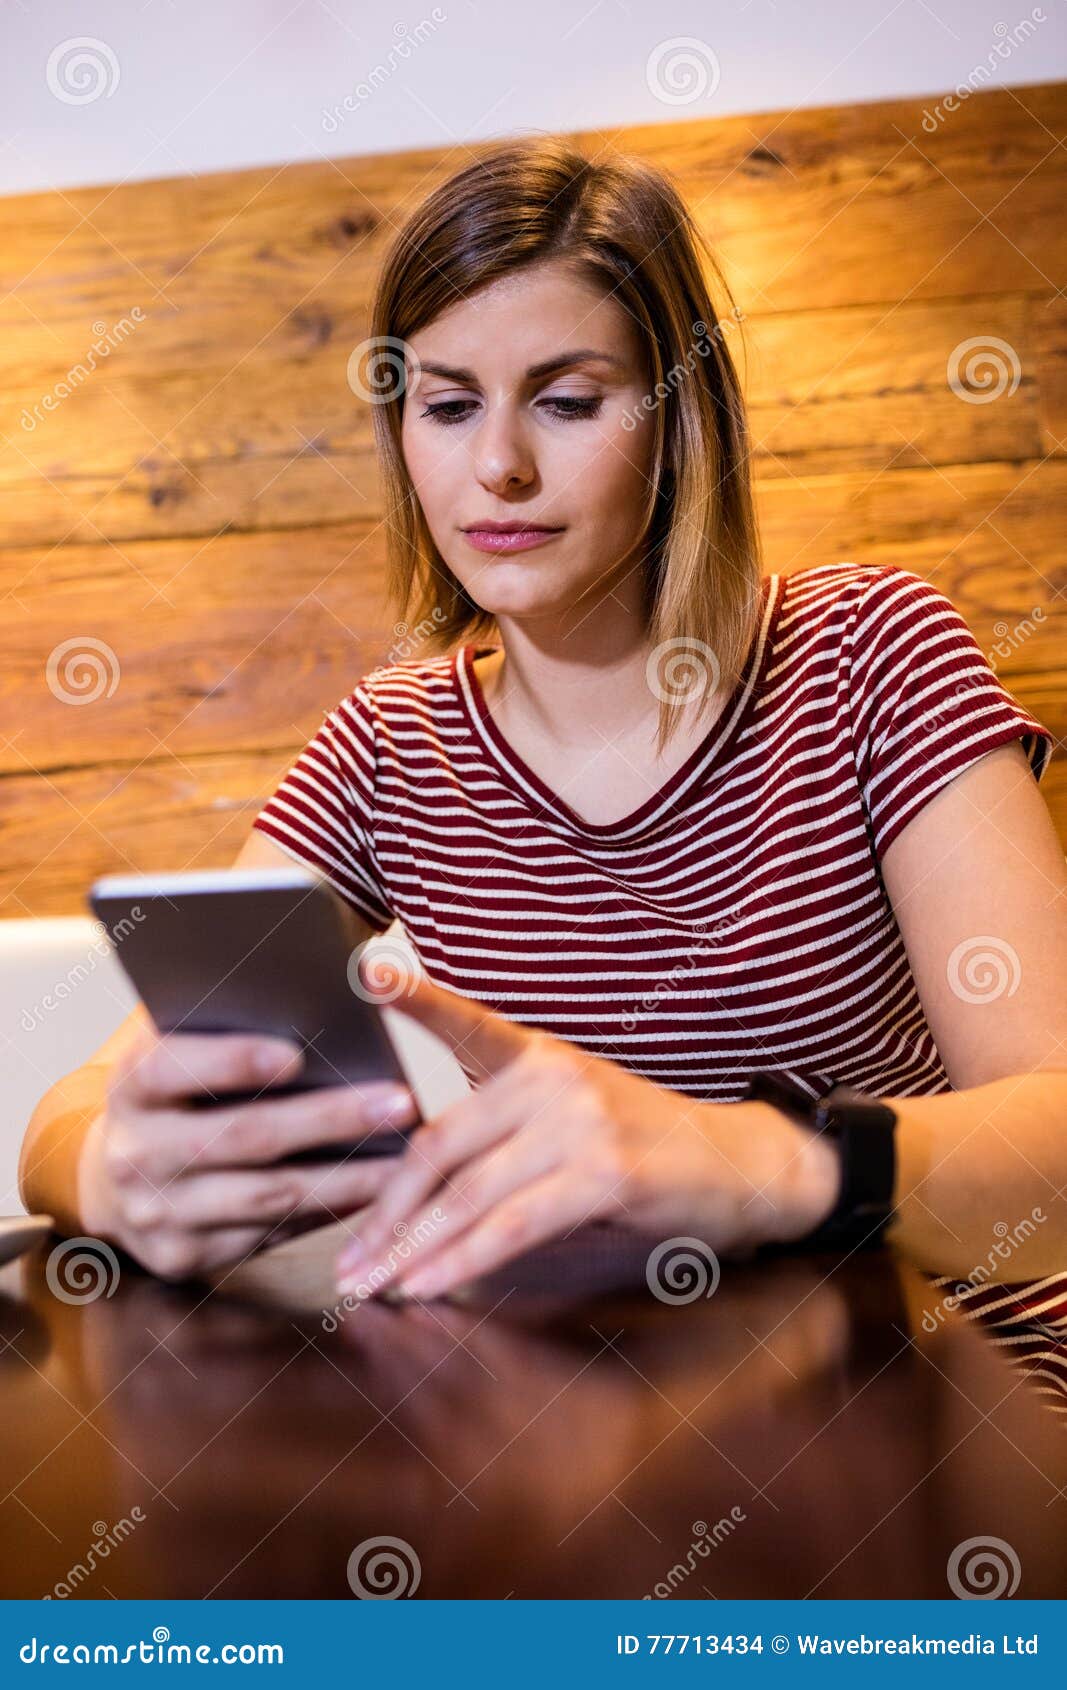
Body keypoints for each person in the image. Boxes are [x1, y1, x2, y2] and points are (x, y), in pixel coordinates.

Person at [20, 140, 1067, 1357]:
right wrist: (109, 1172)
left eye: (567, 402)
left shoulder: (868, 653)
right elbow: (79, 1105)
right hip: (609, 1418)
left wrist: (763, 1158)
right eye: (448, 405)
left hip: (950, 1377)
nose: (498, 465)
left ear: (680, 417)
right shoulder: (388, 747)